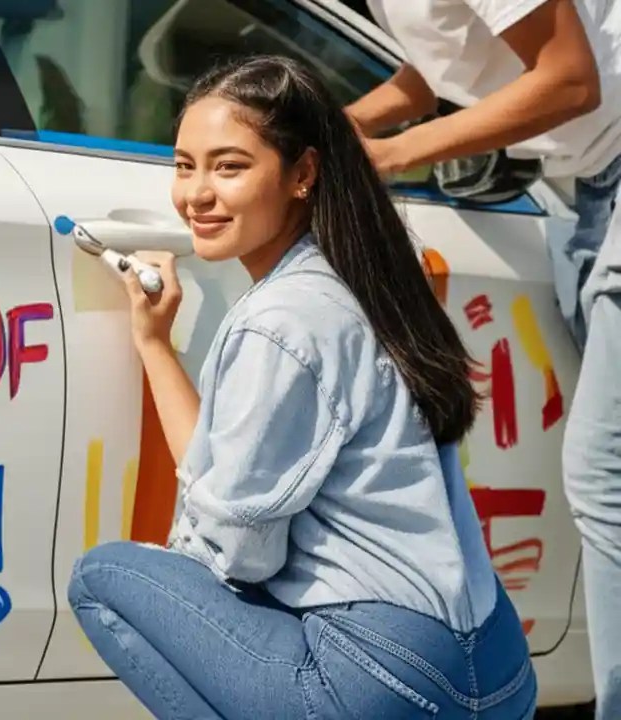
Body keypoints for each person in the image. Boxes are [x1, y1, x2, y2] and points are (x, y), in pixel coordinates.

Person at [68, 55, 536, 719]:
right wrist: (154, 344)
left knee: (106, 578)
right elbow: (224, 475)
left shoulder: (280, 318)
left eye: (229, 167)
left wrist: (173, 558)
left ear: (303, 174)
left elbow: (237, 552)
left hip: (384, 678)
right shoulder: (374, 285)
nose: (196, 194)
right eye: (183, 166)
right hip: (496, 672)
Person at [345, 2, 621, 716]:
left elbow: (567, 81)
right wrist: (353, 123)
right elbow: (447, 59)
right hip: (595, 184)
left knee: (604, 472)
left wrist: (398, 153)